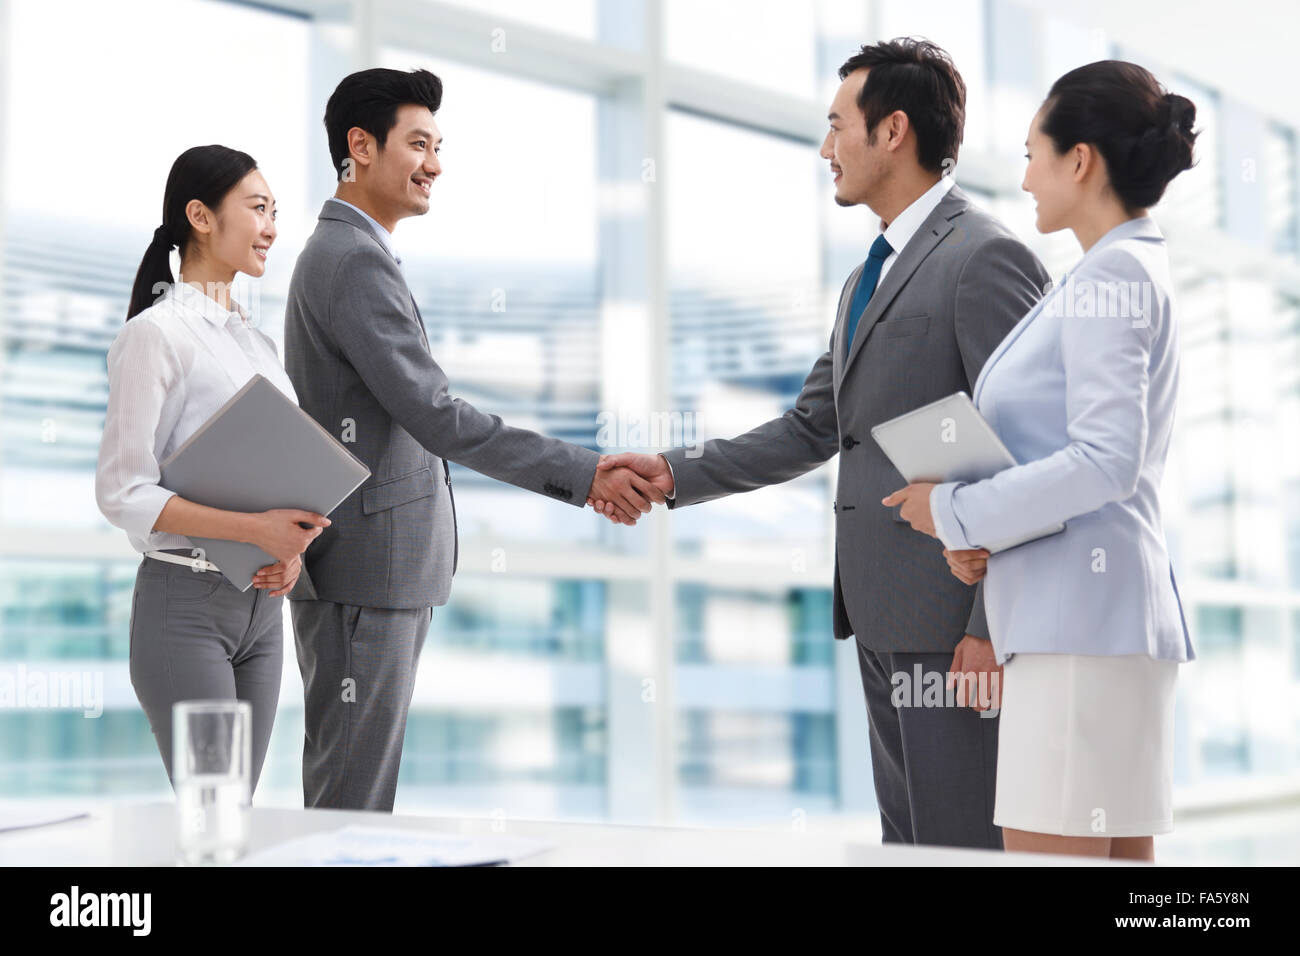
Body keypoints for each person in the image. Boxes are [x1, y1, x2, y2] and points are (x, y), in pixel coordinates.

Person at [591, 39, 1050, 849]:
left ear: (894, 131)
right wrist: (671, 473)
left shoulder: (986, 255)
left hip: (954, 624)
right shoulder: (865, 276)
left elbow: (1028, 448)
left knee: (963, 846)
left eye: (838, 125)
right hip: (880, 615)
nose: (826, 147)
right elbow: (812, 426)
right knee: (910, 842)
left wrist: (988, 623)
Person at [283, 68, 666, 812]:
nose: (435, 164)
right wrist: (583, 472)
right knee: (350, 806)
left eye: (438, 145)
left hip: (372, 572)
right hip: (365, 573)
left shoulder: (353, 253)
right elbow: (436, 414)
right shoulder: (351, 258)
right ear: (359, 146)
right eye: (418, 143)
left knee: (354, 797)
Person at [884, 60, 1199, 860]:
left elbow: (1104, 460)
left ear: (1081, 159)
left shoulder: (1112, 276)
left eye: (1033, 154)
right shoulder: (1111, 272)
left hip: (1076, 636)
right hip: (1096, 627)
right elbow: (1085, 458)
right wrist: (984, 533)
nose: (1023, 177)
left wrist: (950, 511)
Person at [96, 145, 327, 794]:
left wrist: (291, 553)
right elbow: (122, 492)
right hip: (184, 604)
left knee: (237, 818)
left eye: (275, 211)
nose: (273, 227)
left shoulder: (258, 344)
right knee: (215, 818)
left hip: (261, 607)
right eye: (258, 208)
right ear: (200, 215)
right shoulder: (155, 335)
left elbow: (275, 479)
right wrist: (256, 530)